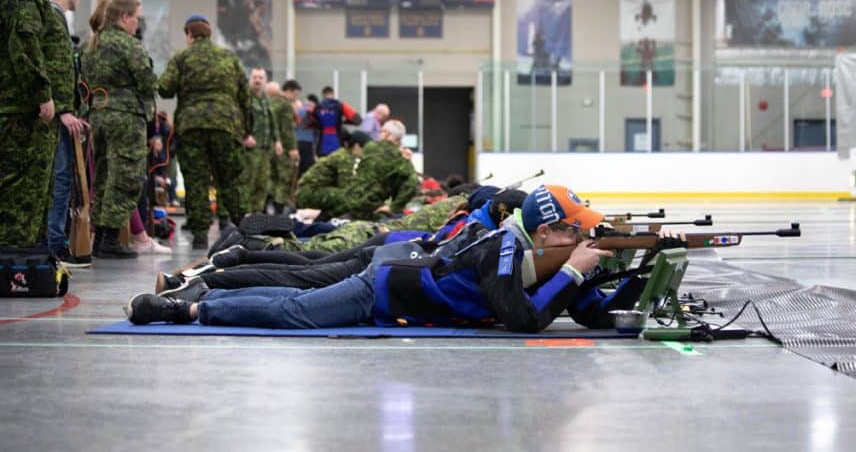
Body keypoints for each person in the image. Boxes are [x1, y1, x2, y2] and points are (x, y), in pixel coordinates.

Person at [127, 184, 647, 333]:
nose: (579, 241)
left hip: (402, 268)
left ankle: (210, 290)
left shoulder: (531, 249)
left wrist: (643, 275)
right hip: (387, 283)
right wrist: (577, 270)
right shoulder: (503, 247)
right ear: (548, 230)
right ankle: (190, 307)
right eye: (574, 233)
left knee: (300, 288)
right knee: (298, 309)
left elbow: (589, 311)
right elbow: (525, 319)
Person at [158, 14, 252, 250]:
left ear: (189, 35)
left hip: (192, 126)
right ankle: (243, 226)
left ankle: (200, 234)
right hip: (226, 125)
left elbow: (165, 89)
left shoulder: (182, 58)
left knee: (196, 180)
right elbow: (245, 96)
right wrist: (245, 128)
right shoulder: (229, 57)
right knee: (231, 178)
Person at [0, 0, 67, 250]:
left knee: (36, 190)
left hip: (28, 111)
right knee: (20, 192)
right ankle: (14, 260)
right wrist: (42, 94)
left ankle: (28, 256)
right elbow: (24, 47)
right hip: (23, 111)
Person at [80, 0, 157, 258]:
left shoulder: (92, 45)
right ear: (125, 17)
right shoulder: (129, 45)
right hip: (126, 117)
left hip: (98, 115)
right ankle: (110, 238)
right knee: (126, 176)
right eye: (136, 17)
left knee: (102, 176)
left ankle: (102, 238)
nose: (138, 23)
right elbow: (148, 83)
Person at [41, 0, 92, 266]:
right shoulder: (54, 15)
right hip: (57, 115)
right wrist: (65, 110)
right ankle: (54, 245)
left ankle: (51, 241)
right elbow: (56, 67)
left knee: (57, 180)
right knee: (59, 181)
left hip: (56, 111)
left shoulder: (54, 16)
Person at [295, 120, 417, 220]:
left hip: (353, 204)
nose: (379, 134)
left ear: (387, 134)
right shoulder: (402, 158)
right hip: (369, 208)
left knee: (328, 223)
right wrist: (393, 207)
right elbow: (412, 184)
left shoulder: (371, 148)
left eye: (381, 131)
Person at [241, 68, 282, 215]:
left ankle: (257, 214)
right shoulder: (245, 98)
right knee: (248, 182)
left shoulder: (266, 99)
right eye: (255, 77)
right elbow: (237, 118)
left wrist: (277, 140)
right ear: (250, 79)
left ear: (265, 81)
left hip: (265, 149)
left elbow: (272, 121)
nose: (257, 80)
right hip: (250, 150)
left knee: (263, 184)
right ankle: (245, 213)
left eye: (261, 78)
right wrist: (244, 135)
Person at [266, 81, 299, 214]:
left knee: (271, 178)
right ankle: (278, 212)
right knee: (284, 178)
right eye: (295, 94)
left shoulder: (267, 103)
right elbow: (287, 129)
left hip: (268, 148)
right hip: (283, 148)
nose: (296, 98)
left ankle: (267, 207)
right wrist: (292, 148)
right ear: (289, 91)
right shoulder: (285, 105)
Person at [307, 86, 360, 156]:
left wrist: (319, 124)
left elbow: (306, 123)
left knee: (323, 166)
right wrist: (342, 121)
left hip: (322, 146)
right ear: (333, 94)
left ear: (323, 95)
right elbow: (358, 120)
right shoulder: (341, 106)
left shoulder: (316, 108)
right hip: (337, 145)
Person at [294, 89, 316, 175]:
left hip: (297, 141)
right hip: (309, 143)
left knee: (298, 166)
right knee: (308, 168)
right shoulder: (313, 112)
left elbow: (294, 126)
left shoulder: (298, 112)